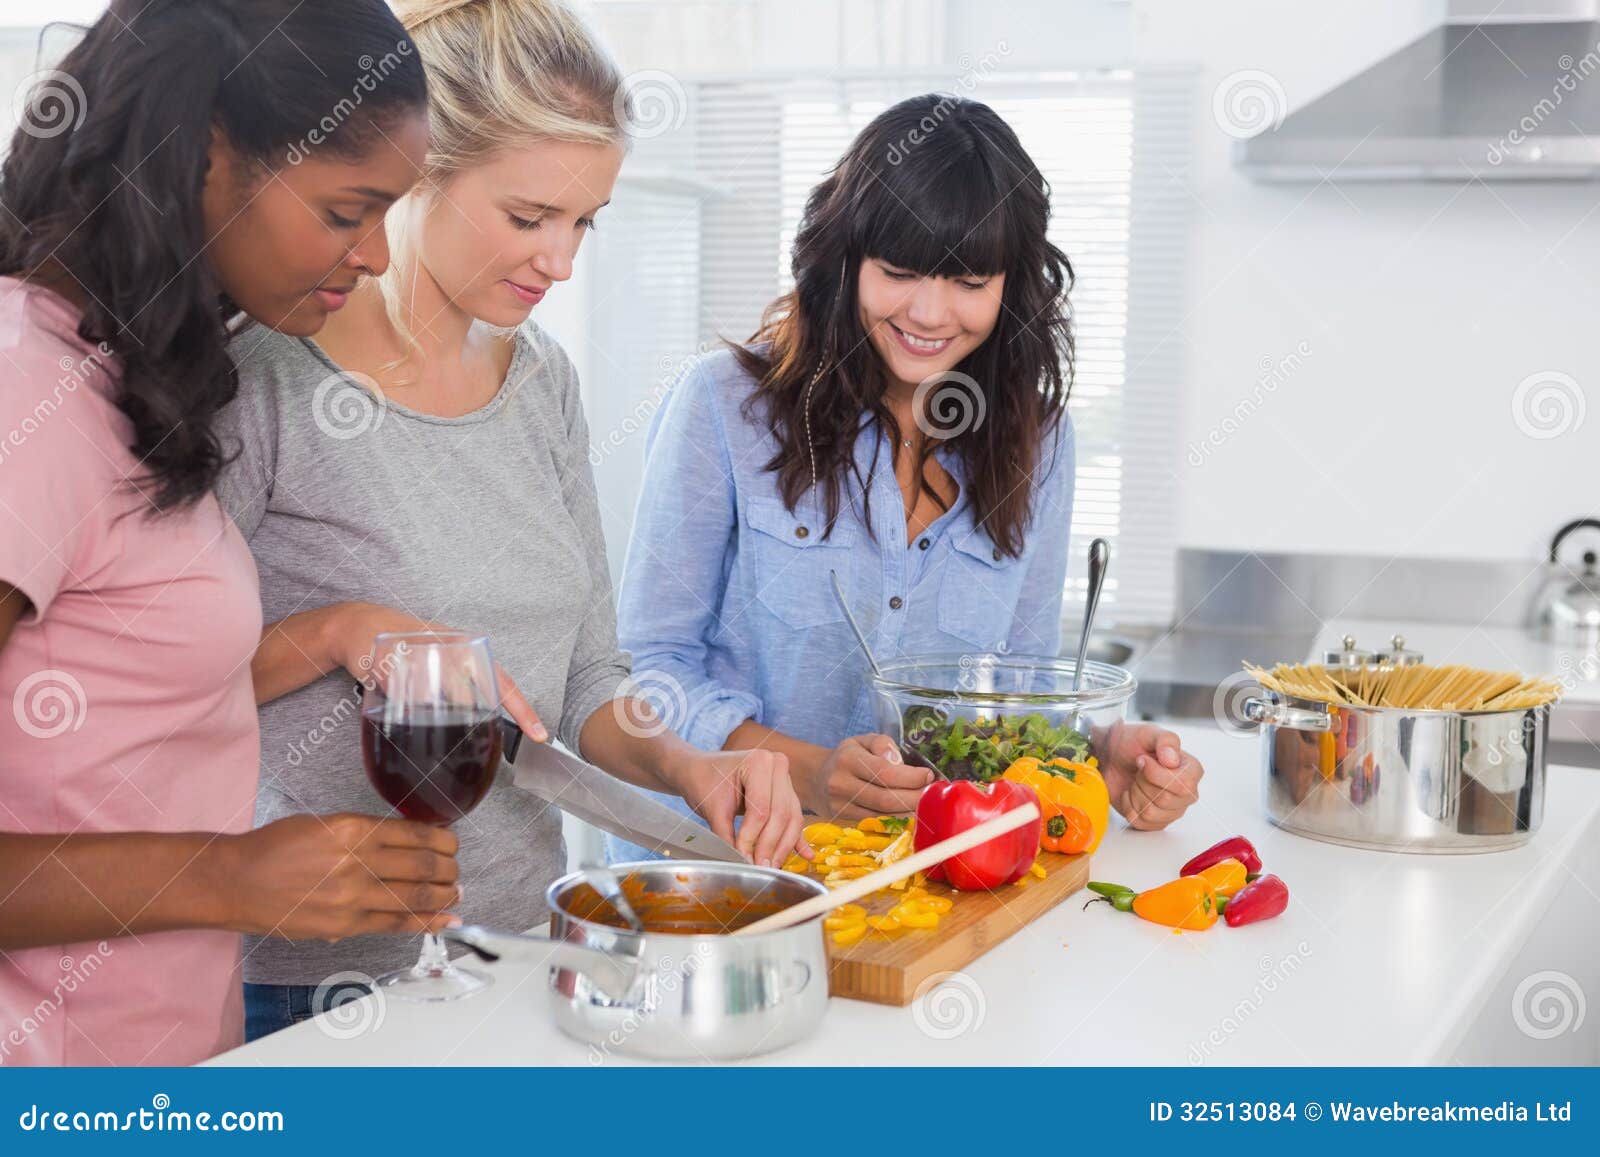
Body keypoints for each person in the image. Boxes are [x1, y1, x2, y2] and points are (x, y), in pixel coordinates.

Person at [216, 0, 807, 1041]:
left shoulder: (542, 380)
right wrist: (342, 629)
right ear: (417, 168)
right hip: (311, 981)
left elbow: (586, 680)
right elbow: (160, 691)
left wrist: (690, 767)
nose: (562, 261)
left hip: (522, 954)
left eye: (585, 221)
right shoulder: (261, 373)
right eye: (528, 217)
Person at [0, 0, 460, 1067]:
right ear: (205, 151)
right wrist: (228, 872)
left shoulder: (114, 367)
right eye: (350, 209)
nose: (378, 255)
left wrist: (340, 624)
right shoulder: (23, 388)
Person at [610, 95, 1204, 856]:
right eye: (898, 272)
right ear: (845, 260)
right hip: (710, 870)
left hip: (911, 889)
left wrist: (1091, 753)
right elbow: (648, 671)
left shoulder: (1040, 445)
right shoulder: (725, 406)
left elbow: (1008, 699)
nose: (929, 312)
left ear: (1010, 285)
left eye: (968, 281)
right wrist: (811, 772)